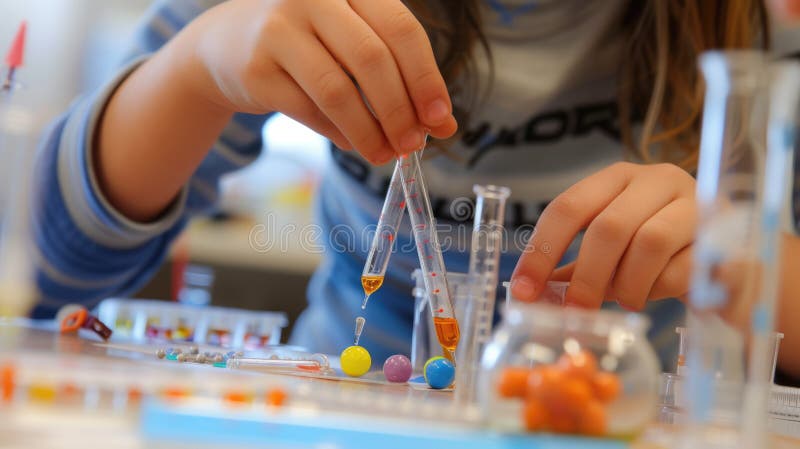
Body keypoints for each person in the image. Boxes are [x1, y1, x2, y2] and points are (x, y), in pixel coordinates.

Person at [29, 0, 800, 379]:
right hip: (345, 410)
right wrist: (198, 66)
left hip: (625, 416)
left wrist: (751, 266)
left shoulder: (760, 26)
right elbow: (52, 272)